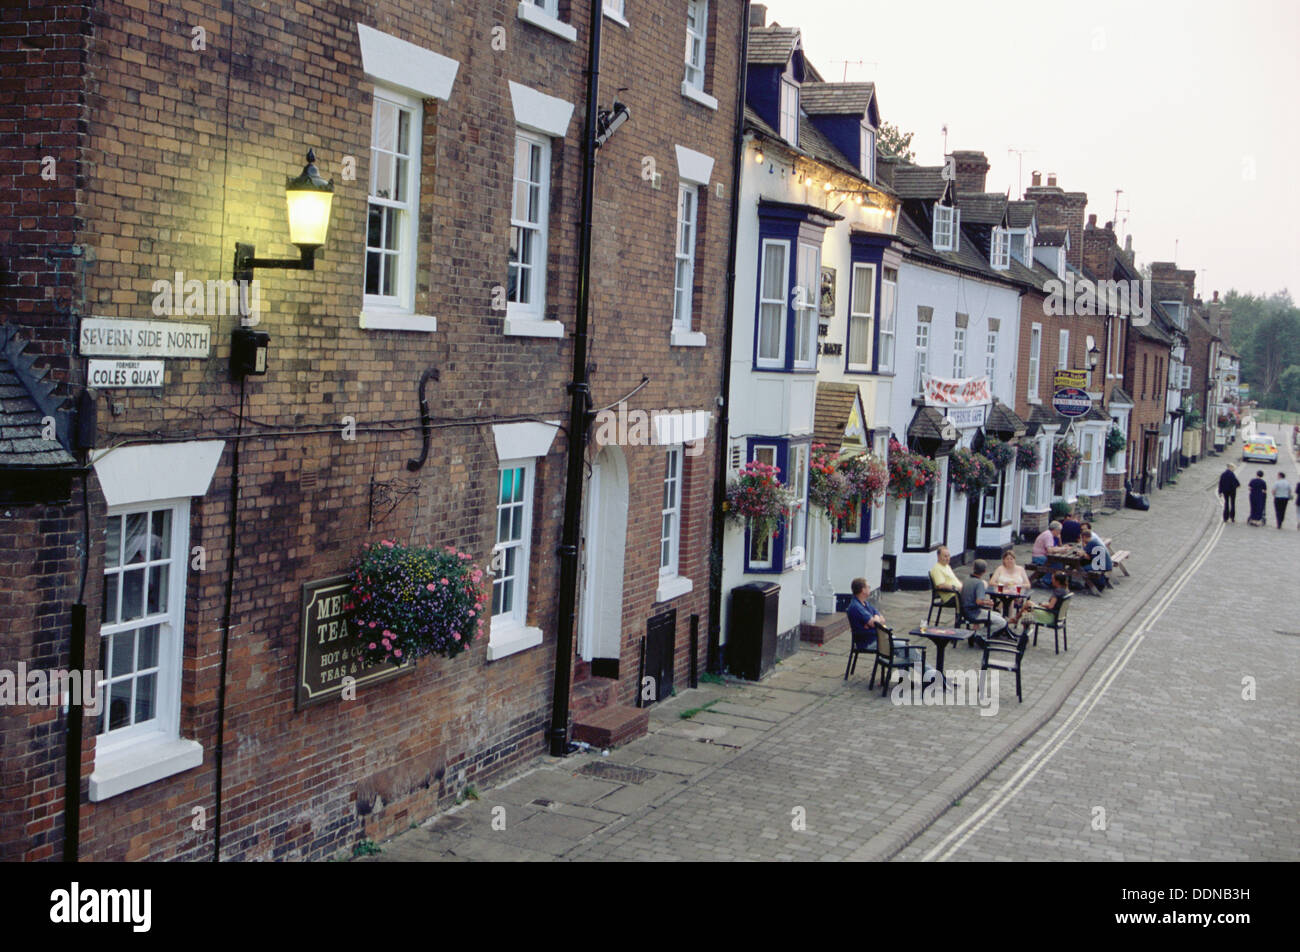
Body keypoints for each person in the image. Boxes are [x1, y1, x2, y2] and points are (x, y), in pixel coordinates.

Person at [960, 559, 1010, 646]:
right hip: (974, 612)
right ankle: (978, 634)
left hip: (964, 610)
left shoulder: (967, 579)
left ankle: (983, 634)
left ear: (973, 568)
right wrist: (988, 603)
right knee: (1002, 622)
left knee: (997, 615)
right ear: (984, 571)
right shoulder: (979, 583)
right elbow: (979, 601)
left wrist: (986, 601)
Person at [989, 549, 1031, 623]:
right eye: (1007, 559)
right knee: (1008, 598)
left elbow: (1028, 585)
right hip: (1002, 593)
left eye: (1011, 559)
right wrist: (1002, 584)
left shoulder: (1020, 569)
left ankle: (1004, 618)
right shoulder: (1000, 569)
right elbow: (991, 582)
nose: (1009, 561)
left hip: (1017, 594)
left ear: (1014, 560)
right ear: (1004, 560)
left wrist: (1018, 585)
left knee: (1010, 598)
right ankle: (1008, 620)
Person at [846, 577, 886, 650]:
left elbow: (882, 619)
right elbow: (874, 623)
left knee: (901, 646)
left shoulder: (865, 603)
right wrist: (876, 620)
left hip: (877, 638)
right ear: (863, 590)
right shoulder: (856, 607)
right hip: (869, 642)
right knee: (905, 648)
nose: (870, 588)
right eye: (868, 587)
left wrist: (875, 617)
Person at [929, 545, 962, 612]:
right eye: (945, 556)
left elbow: (953, 580)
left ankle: (973, 618)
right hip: (951, 596)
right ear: (938, 557)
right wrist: (955, 588)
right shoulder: (937, 569)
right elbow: (940, 585)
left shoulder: (947, 566)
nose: (948, 558)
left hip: (957, 593)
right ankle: (965, 619)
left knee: (973, 594)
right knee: (970, 599)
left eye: (948, 556)